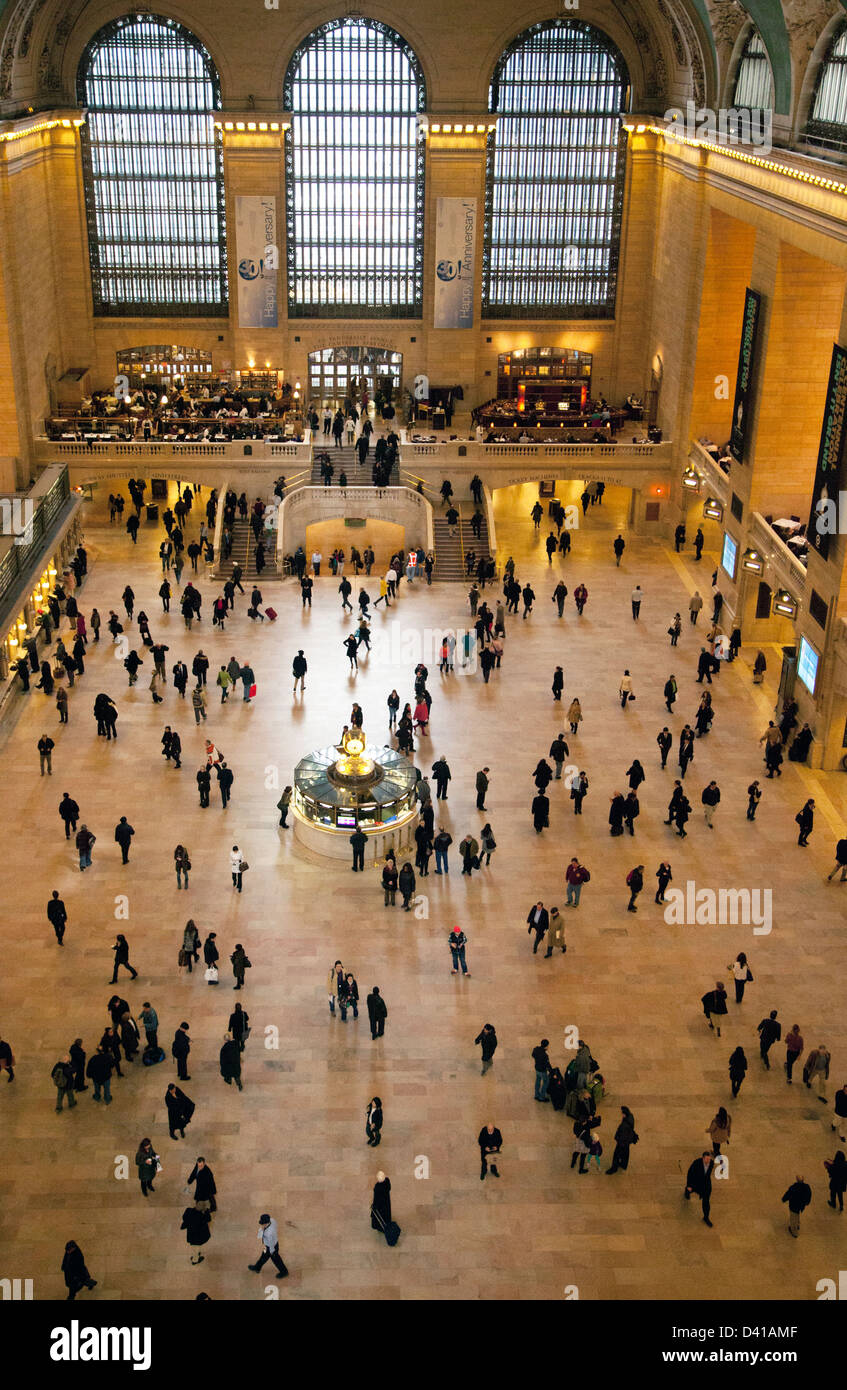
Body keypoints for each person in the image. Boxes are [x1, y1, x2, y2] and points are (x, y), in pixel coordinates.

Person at [684, 1152, 715, 1226]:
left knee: (706, 1202)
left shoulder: (711, 1163)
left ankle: (706, 1217)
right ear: (703, 1158)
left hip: (706, 1186)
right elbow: (690, 1173)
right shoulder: (696, 1163)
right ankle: (687, 1192)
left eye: (709, 1159)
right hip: (696, 1183)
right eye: (707, 1159)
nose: (708, 1161)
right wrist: (689, 1185)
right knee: (690, 1190)